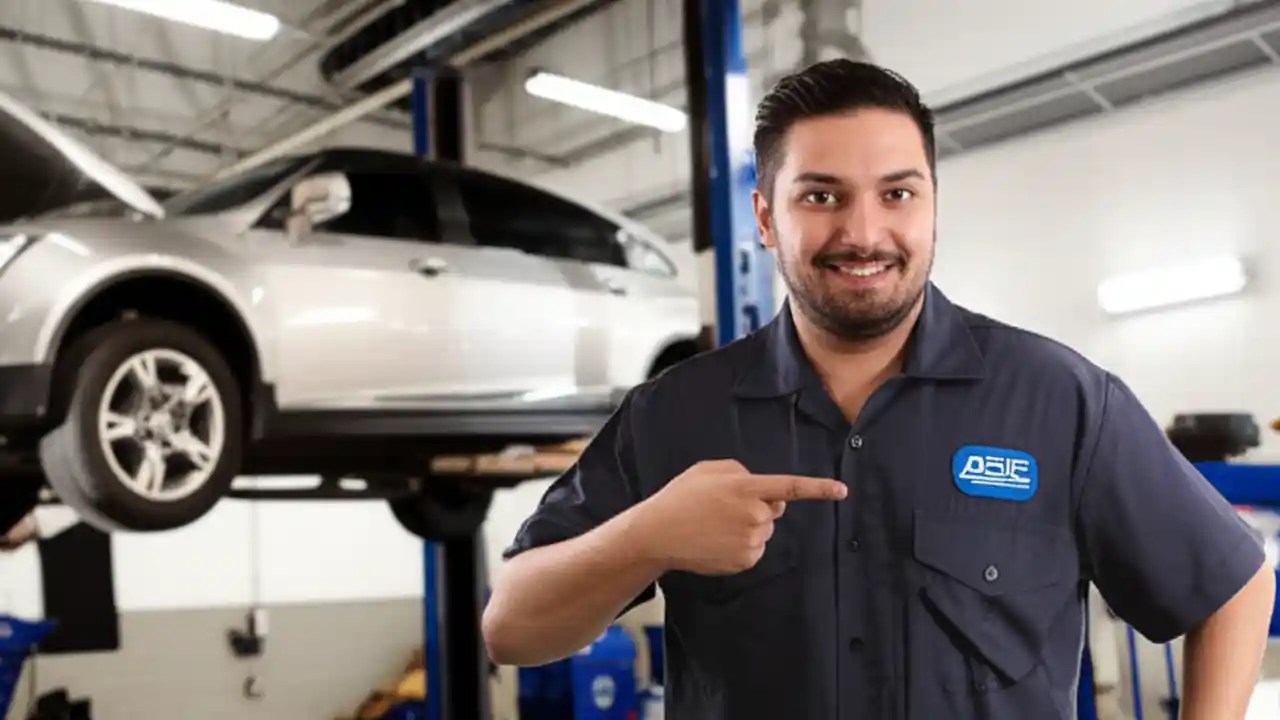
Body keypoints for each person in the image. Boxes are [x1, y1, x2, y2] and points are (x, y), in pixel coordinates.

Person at [482, 59, 1275, 719]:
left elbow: (1233, 586)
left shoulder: (1058, 399)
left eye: (897, 194)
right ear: (764, 217)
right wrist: (648, 534)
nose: (863, 233)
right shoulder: (674, 415)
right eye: (820, 196)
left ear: (932, 207)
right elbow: (512, 629)